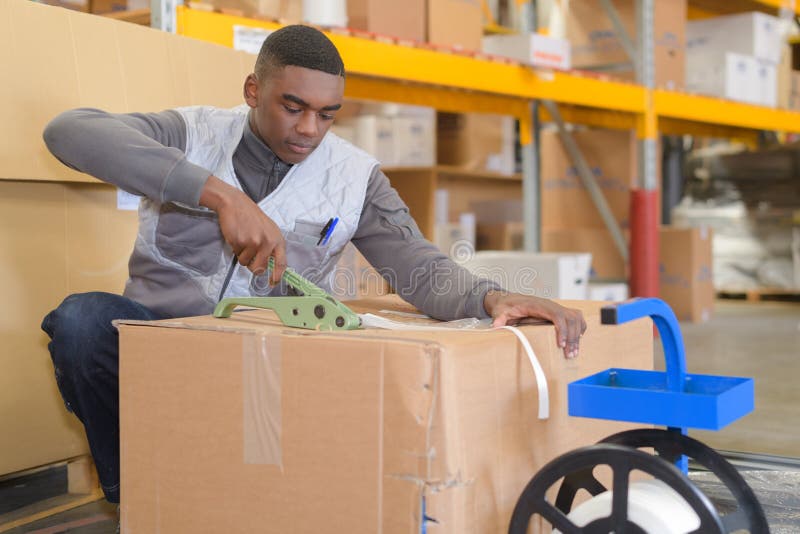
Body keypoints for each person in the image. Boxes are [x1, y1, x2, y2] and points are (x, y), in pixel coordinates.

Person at [40, 24, 586, 504]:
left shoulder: (354, 178)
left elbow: (417, 266)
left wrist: (491, 297)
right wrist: (218, 195)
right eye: (293, 106)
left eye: (327, 114)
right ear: (253, 90)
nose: (309, 129)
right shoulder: (193, 133)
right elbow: (69, 131)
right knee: (81, 321)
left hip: (270, 356)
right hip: (160, 340)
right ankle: (140, 493)